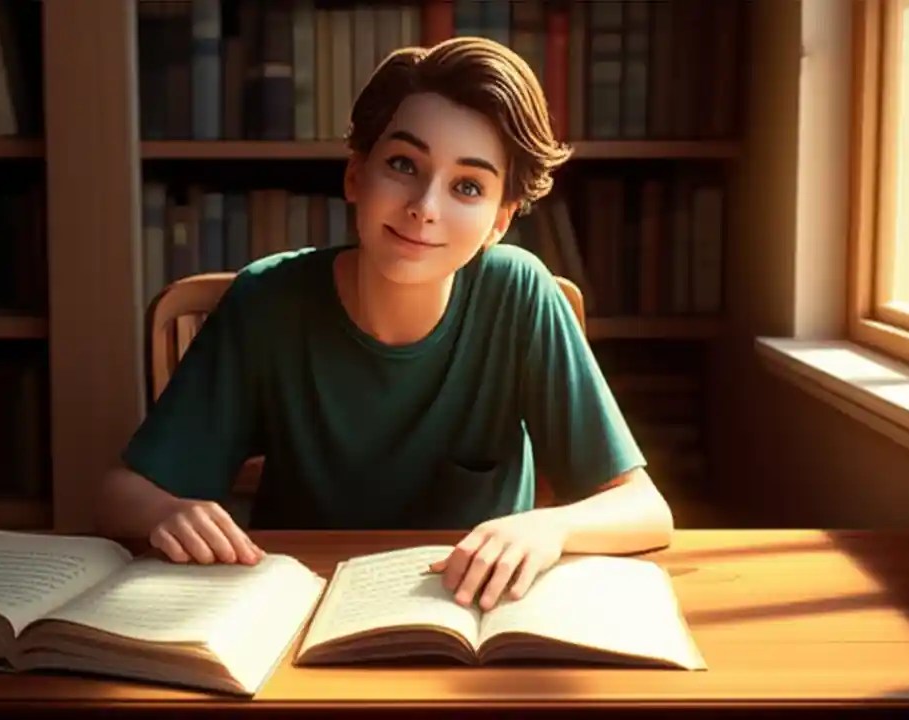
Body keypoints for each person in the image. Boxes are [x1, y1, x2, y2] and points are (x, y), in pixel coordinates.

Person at [96, 37, 674, 611]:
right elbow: (119, 492)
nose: (425, 206)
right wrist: (167, 512)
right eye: (403, 164)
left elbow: (644, 510)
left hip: (469, 613)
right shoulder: (268, 300)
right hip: (293, 608)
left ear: (499, 221)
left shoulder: (520, 294)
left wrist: (549, 529)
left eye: (466, 186)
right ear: (356, 176)